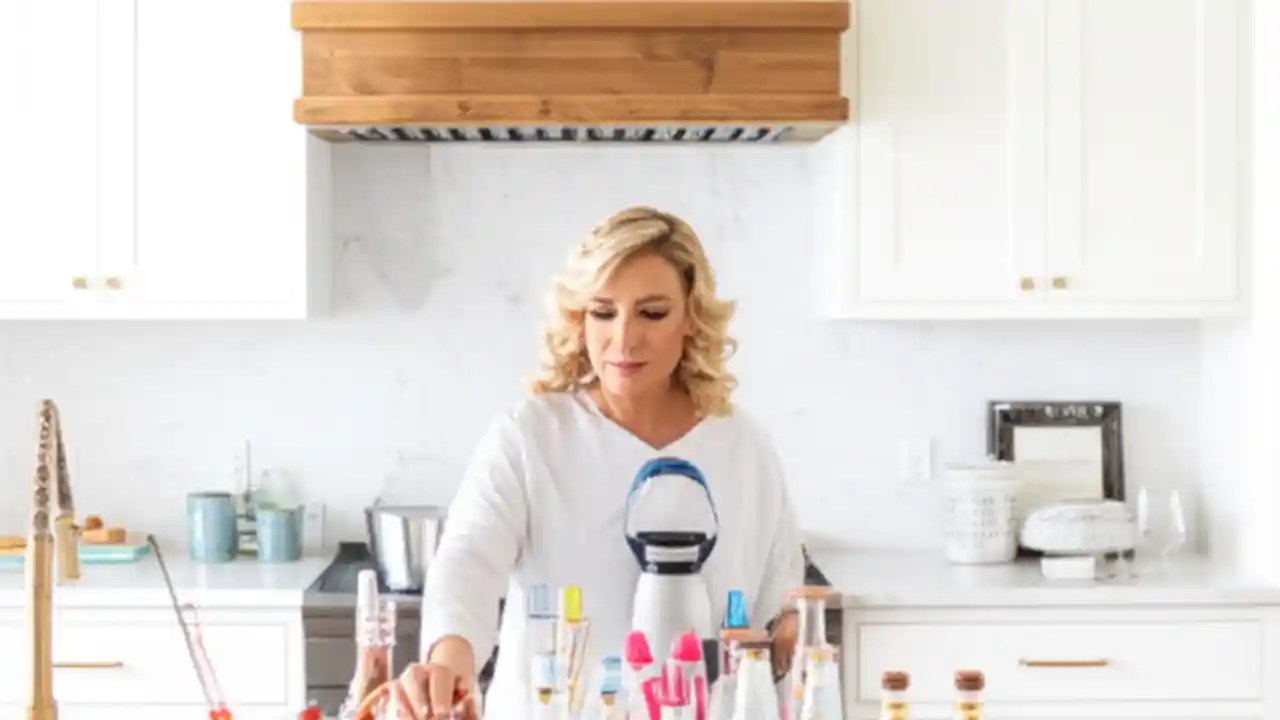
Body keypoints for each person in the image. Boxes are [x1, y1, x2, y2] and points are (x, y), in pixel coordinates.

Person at [389, 206, 806, 718]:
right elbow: (468, 560)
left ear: (691, 318)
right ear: (578, 316)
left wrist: (787, 637)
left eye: (652, 313)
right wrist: (450, 659)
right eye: (603, 312)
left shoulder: (743, 448)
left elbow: (781, 604)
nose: (624, 339)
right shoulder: (532, 436)